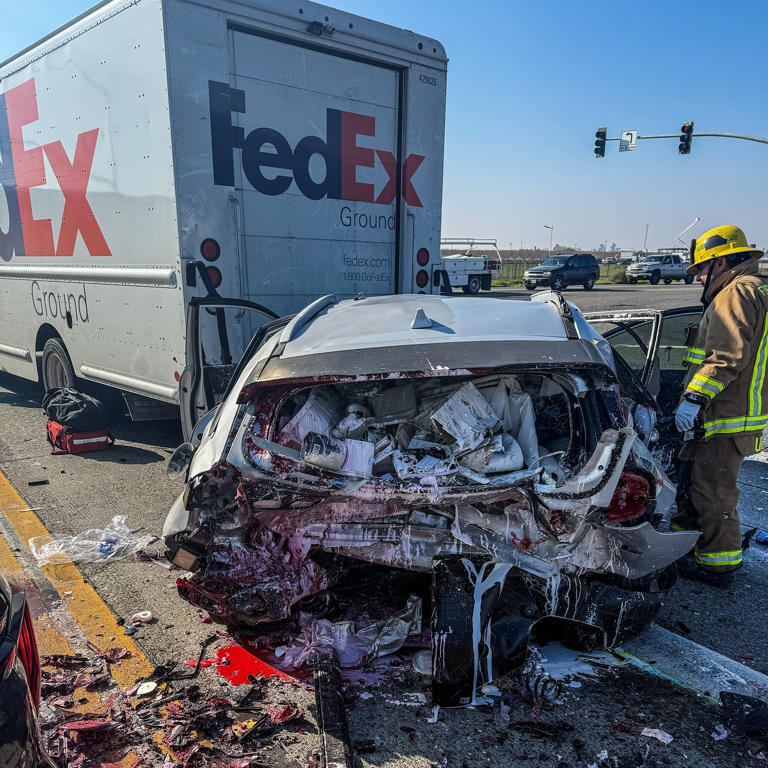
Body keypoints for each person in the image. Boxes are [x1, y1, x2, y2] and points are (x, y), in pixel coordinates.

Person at [672, 225, 767, 586]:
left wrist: (693, 398)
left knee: (712, 493)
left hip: (726, 416)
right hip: (736, 413)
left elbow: (725, 357)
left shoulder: (736, 293)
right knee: (698, 483)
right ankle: (685, 545)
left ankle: (717, 565)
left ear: (721, 262)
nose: (698, 278)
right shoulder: (758, 289)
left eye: (700, 269)